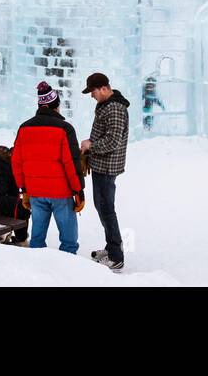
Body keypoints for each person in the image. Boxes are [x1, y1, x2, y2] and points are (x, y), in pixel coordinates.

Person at [11, 82, 84, 254]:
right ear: (56, 106)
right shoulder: (65, 129)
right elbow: (71, 164)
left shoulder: (24, 128)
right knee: (68, 241)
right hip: (61, 194)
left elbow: (17, 162)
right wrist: (78, 190)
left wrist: (24, 189)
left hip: (35, 192)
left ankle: (37, 273)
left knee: (37, 239)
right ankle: (66, 271)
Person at [81, 72, 129, 271]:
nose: (91, 95)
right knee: (103, 208)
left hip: (107, 167)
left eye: (92, 91)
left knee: (107, 210)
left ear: (103, 88)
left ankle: (116, 256)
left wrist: (91, 145)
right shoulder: (106, 106)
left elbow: (113, 140)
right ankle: (111, 248)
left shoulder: (115, 108)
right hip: (102, 166)